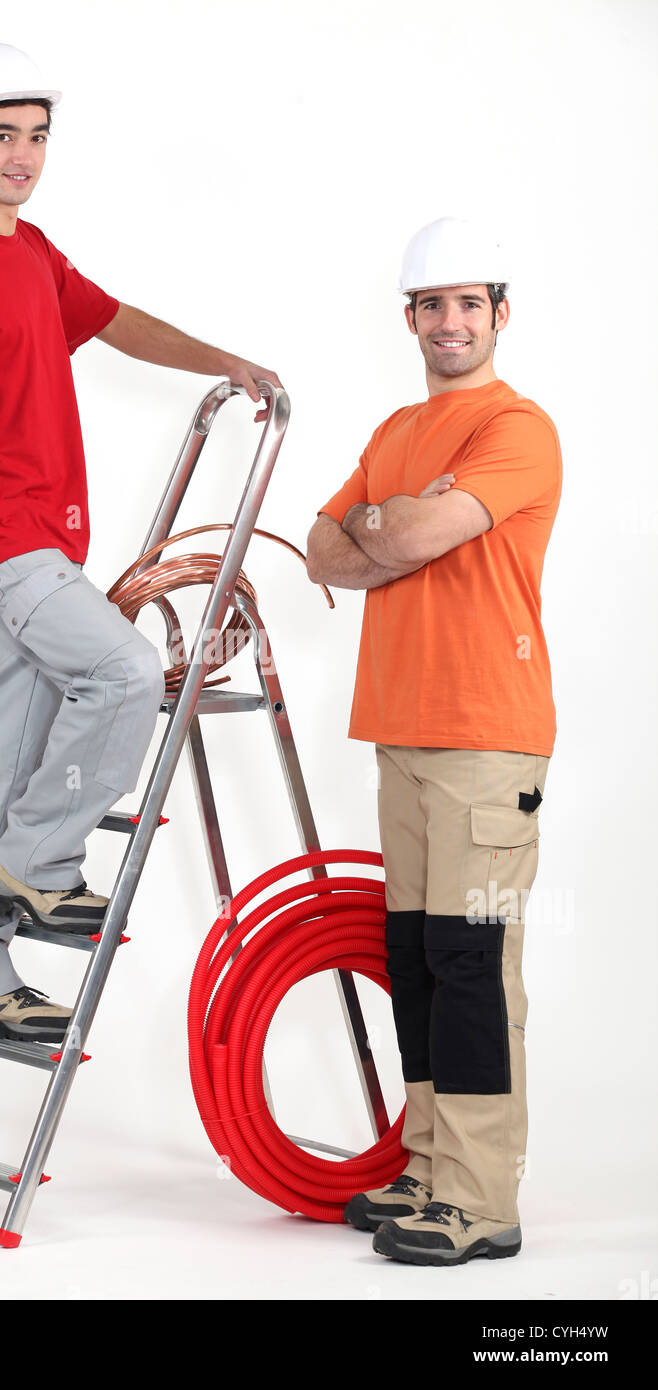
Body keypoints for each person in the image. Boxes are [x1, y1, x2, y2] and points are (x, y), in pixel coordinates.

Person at [0, 42, 281, 1047]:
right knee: (123, 668)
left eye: (37, 137)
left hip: (39, 537)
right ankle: (38, 862)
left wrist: (218, 358)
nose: (22, 156)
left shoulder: (29, 253)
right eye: (1, 136)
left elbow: (111, 320)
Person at [305, 216, 562, 1267]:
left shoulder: (518, 426)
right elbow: (326, 549)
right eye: (430, 304)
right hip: (400, 732)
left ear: (498, 313)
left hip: (483, 739)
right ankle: (426, 1165)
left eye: (468, 303)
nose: (448, 321)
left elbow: (395, 536)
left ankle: (480, 1197)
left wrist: (389, 526)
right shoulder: (394, 431)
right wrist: (387, 523)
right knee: (413, 957)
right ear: (406, 318)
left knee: (471, 963)